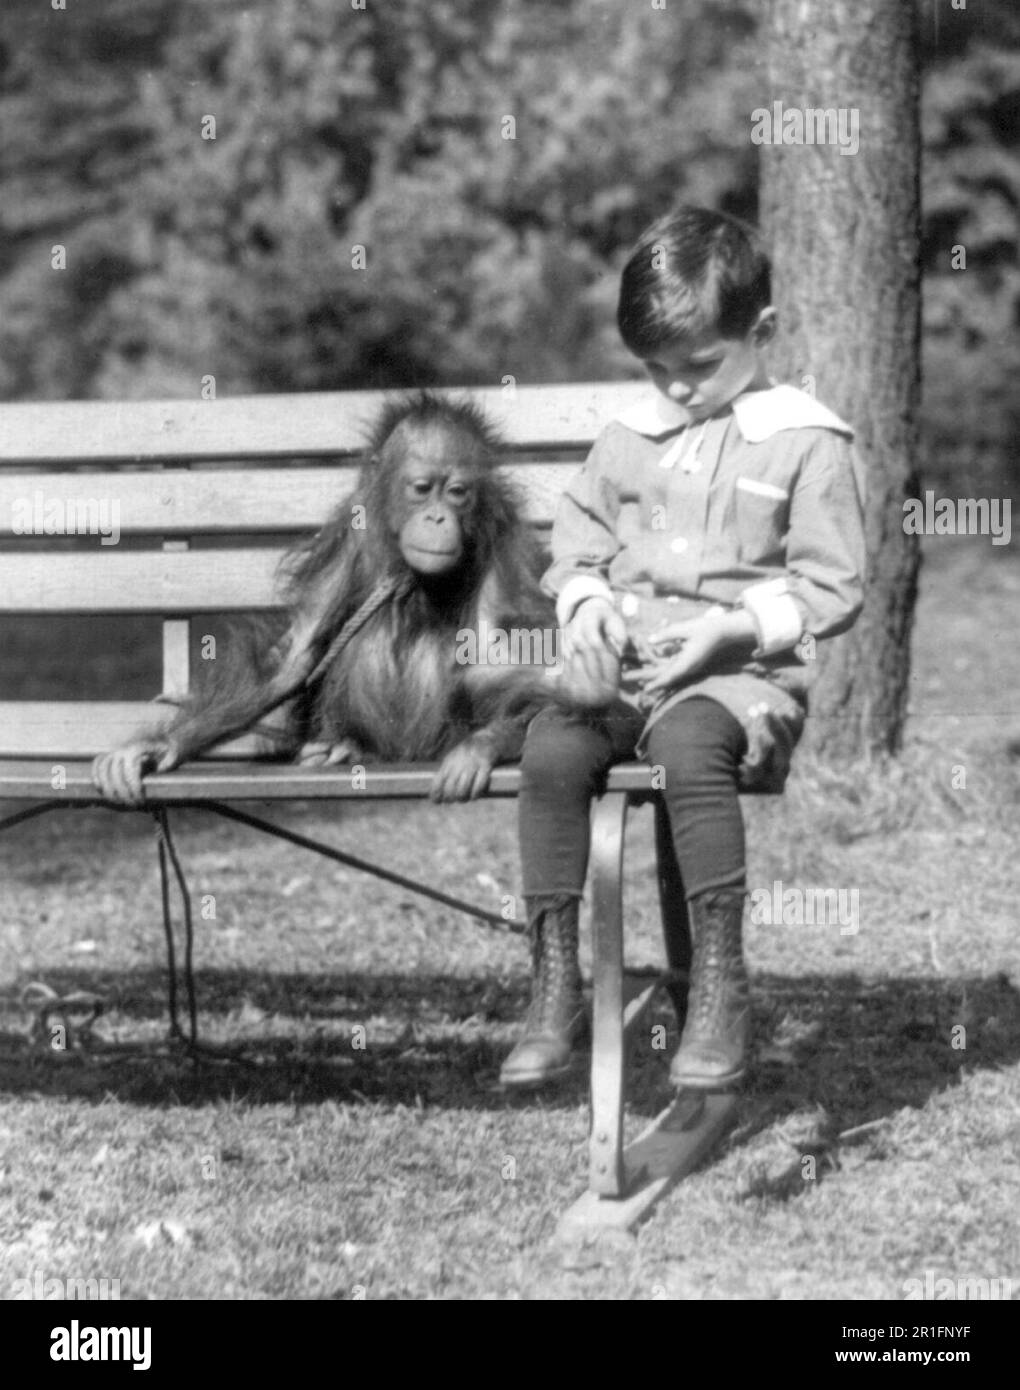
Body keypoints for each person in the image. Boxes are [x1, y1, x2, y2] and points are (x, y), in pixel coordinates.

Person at [500, 205, 866, 1090]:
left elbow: (836, 585)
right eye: (656, 370)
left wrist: (737, 627)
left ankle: (717, 988)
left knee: (689, 747)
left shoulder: (806, 442)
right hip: (629, 674)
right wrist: (585, 602)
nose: (678, 389)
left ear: (763, 332)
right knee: (553, 748)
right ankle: (555, 983)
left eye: (699, 366)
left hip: (739, 678)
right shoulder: (631, 437)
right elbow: (577, 542)